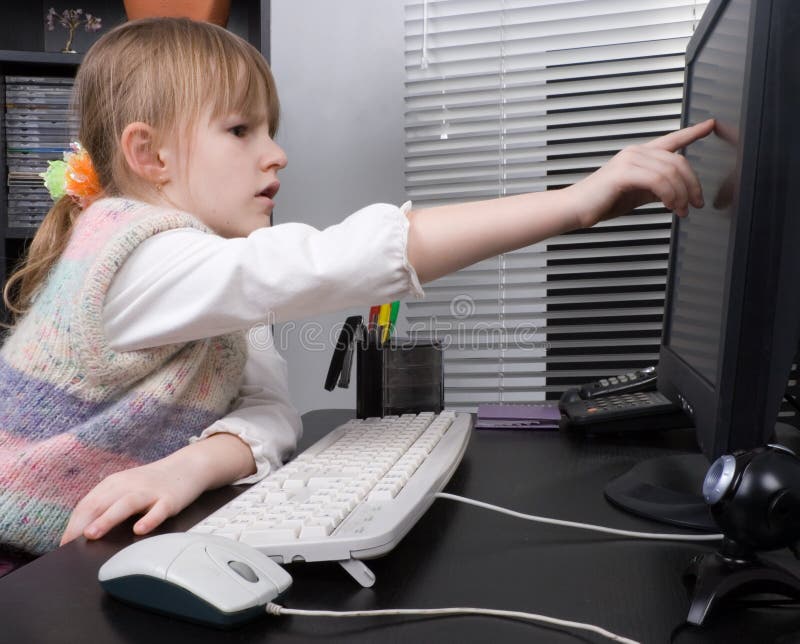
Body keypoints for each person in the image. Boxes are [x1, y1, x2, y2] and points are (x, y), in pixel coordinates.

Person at [0, 18, 714, 565]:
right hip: (20, 556)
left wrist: (193, 464)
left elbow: (273, 411)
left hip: (87, 545)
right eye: (241, 130)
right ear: (148, 155)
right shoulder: (136, 257)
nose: (275, 153)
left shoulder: (217, 276)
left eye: (271, 130)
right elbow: (326, 261)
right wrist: (574, 203)